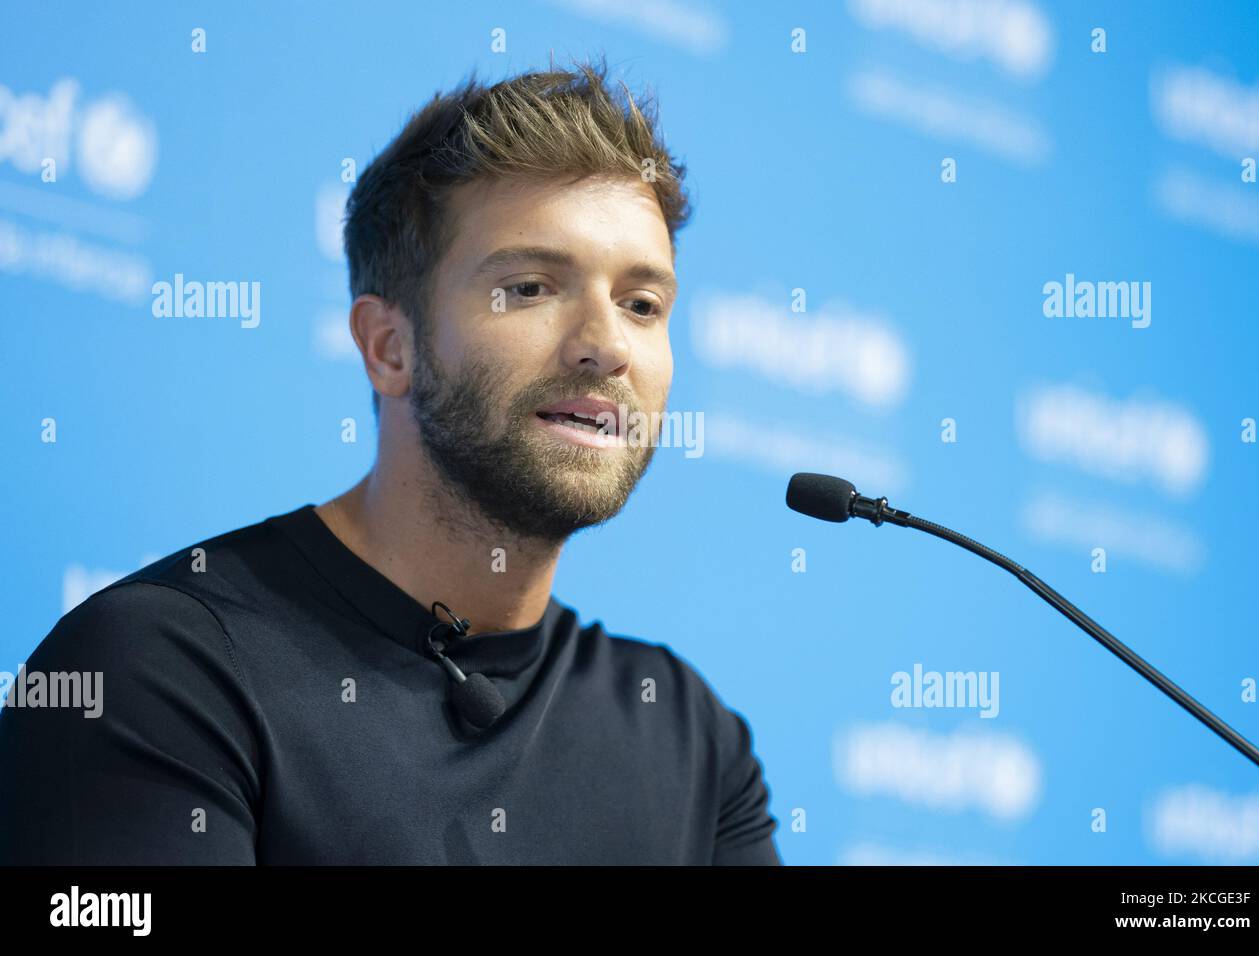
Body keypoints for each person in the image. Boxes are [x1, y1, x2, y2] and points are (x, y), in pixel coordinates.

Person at [0, 59, 781, 865]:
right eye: (531, 287)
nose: (608, 345)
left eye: (642, 304)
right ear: (388, 346)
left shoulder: (691, 736)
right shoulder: (158, 669)